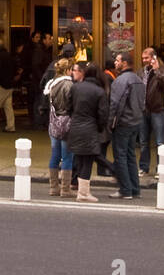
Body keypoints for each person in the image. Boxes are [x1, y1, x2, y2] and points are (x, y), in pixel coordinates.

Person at [68, 63, 111, 203]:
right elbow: (103, 115)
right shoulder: (99, 92)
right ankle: (83, 193)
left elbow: (69, 107)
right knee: (87, 161)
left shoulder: (75, 87)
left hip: (75, 127)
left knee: (80, 159)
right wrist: (99, 127)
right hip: (90, 128)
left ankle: (81, 191)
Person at [108, 51, 146, 199]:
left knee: (120, 155)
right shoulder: (138, 79)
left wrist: (110, 123)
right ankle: (135, 189)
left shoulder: (120, 81)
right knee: (130, 155)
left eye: (117, 60)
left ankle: (125, 189)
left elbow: (115, 104)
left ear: (124, 63)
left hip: (123, 122)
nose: (115, 63)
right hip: (136, 121)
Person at [45, 58, 79, 197]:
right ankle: (65, 189)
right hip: (66, 123)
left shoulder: (52, 84)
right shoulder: (69, 85)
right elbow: (72, 104)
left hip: (54, 122)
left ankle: (54, 188)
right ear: (67, 70)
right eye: (71, 69)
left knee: (55, 155)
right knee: (67, 157)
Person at [140, 47, 164, 175]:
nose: (144, 61)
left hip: (157, 109)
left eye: (146, 58)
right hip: (143, 110)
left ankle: (161, 168)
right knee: (143, 141)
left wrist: (157, 70)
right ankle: (143, 167)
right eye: (143, 58)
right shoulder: (141, 72)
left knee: (160, 141)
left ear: (154, 58)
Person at [29, 31, 53, 129]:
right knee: (39, 100)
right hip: (40, 81)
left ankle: (41, 122)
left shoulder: (46, 50)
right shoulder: (39, 50)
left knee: (42, 100)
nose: (51, 40)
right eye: (49, 38)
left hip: (43, 80)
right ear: (44, 40)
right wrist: (42, 78)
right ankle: (38, 122)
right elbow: (36, 65)